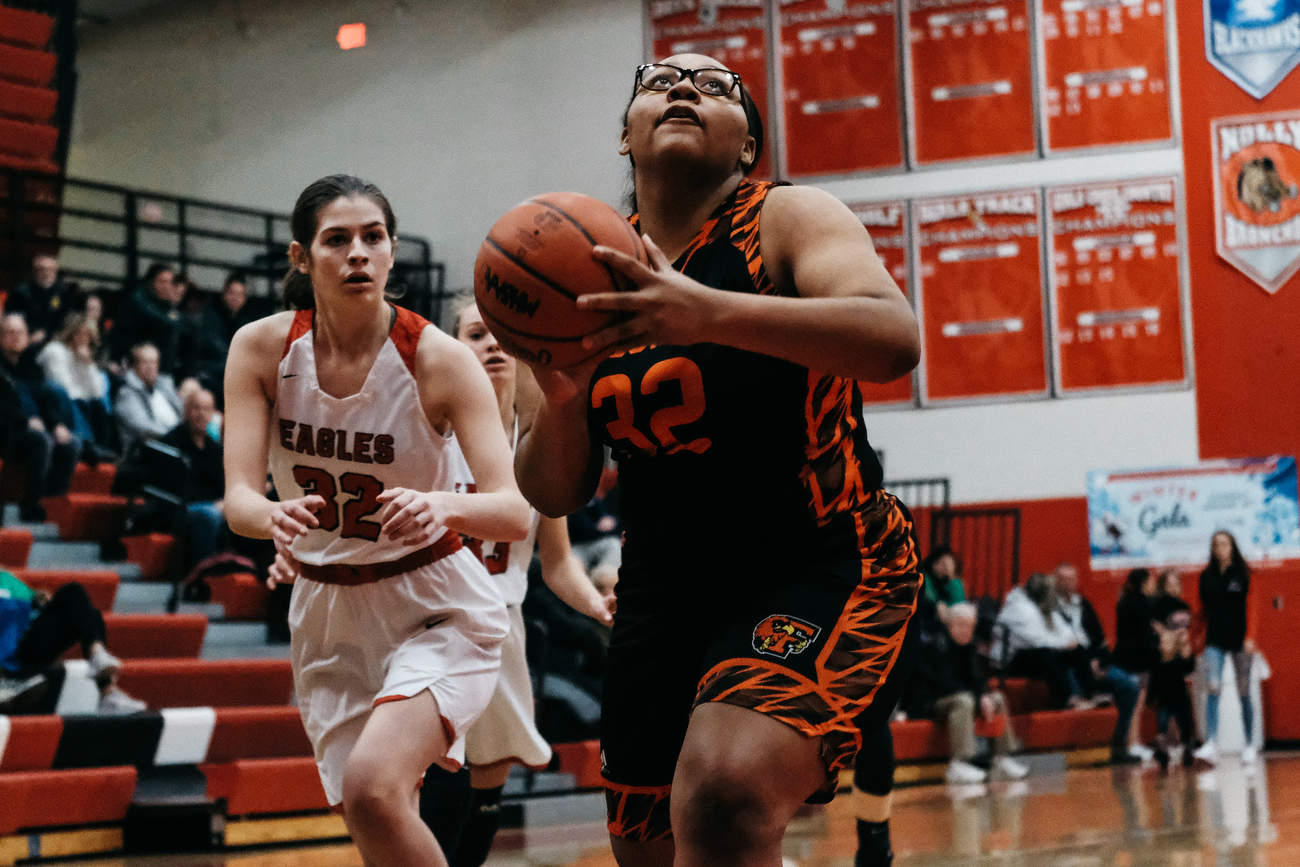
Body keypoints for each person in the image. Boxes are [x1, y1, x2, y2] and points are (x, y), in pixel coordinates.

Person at [515, 55, 923, 864]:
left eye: (715, 87)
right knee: (654, 849)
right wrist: (561, 399)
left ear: (746, 150)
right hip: (663, 594)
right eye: (658, 80)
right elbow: (553, 487)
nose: (683, 90)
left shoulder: (788, 218)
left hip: (822, 560)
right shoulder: (572, 264)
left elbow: (893, 337)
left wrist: (707, 313)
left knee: (724, 793)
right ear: (625, 136)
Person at [222, 174, 530, 867]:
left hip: (434, 603)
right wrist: (272, 515)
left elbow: (511, 509)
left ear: (391, 254)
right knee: (378, 822)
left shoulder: (438, 359)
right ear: (302, 257)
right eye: (338, 239)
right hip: (328, 606)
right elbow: (238, 501)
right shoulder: (261, 349)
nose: (358, 252)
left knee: (372, 790)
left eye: (374, 237)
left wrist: (441, 504)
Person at [420, 301, 615, 867]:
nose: (490, 346)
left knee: (486, 792)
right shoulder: (427, 429)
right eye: (475, 334)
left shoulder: (534, 447)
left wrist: (597, 607)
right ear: (452, 348)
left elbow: (556, 564)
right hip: (426, 620)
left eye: (501, 336)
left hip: (499, 627)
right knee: (438, 776)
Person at [903, 602, 1026, 784]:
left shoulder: (970, 646)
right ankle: (959, 762)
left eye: (970, 626)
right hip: (930, 702)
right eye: (961, 625)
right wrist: (978, 698)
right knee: (964, 700)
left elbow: (978, 678)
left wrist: (984, 695)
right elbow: (945, 685)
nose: (965, 630)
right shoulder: (936, 645)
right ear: (950, 624)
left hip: (959, 697)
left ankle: (1001, 757)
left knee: (996, 698)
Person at [0, 569, 146, 714]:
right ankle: (106, 688)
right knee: (85, 610)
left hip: (27, 643)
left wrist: (38, 597)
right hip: (7, 652)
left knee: (80, 601)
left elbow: (33, 599)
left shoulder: (5, 577)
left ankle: (101, 667)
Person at [0, 313, 81, 523]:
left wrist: (57, 425)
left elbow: (46, 401)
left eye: (20, 333)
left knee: (70, 443)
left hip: (34, 429)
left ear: (28, 337)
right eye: (10, 332)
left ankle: (52, 505)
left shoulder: (32, 368)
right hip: (9, 431)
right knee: (40, 440)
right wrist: (24, 421)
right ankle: (31, 506)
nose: (16, 337)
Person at [1195, 530, 1257, 764]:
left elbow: (1253, 606)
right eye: (1216, 544)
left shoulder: (1244, 574)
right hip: (1215, 639)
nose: (1220, 548)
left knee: (1244, 693)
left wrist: (1251, 636)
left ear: (1232, 546)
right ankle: (1212, 742)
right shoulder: (1206, 576)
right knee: (1213, 688)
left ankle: (1249, 743)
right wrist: (1196, 640)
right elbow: (1201, 611)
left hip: (1241, 639)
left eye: (1224, 543)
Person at [996, 572, 1089, 710]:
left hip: (1034, 656)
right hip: (1010, 661)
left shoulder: (1043, 608)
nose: (1054, 596)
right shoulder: (1019, 608)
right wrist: (1063, 644)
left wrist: (1071, 643)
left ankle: (1092, 694)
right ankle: (1068, 699)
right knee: (1046, 654)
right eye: (1051, 592)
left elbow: (1064, 632)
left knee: (1077, 650)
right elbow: (1035, 641)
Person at [159, 387, 228, 572]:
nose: (201, 414)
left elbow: (221, 488)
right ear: (187, 411)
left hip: (209, 505)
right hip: (177, 508)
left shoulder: (215, 449)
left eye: (206, 409)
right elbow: (175, 490)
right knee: (211, 515)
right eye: (196, 408)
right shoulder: (170, 443)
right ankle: (201, 574)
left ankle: (232, 570)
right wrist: (215, 504)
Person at [36, 313, 117, 462]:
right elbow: (63, 386)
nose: (84, 338)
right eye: (81, 333)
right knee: (75, 401)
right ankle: (84, 445)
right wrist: (83, 394)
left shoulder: (83, 355)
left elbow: (97, 392)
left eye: (88, 335)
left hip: (82, 402)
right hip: (56, 402)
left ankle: (97, 446)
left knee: (99, 404)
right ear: (71, 331)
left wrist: (87, 364)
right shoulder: (55, 350)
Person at [180, 271, 269, 404]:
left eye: (239, 295)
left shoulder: (248, 318)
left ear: (245, 298)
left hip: (233, 369)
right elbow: (213, 344)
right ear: (224, 294)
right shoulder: (211, 313)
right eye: (232, 293)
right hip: (211, 368)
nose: (235, 298)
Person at [1106, 568, 1157, 765]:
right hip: (1136, 660)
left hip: (1124, 656)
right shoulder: (1142, 603)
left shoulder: (1125, 601)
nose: (1154, 585)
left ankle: (1134, 741)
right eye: (1151, 581)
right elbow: (1145, 634)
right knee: (1137, 703)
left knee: (1135, 703)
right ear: (1144, 583)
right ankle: (1132, 742)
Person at [1149, 569, 1195, 771]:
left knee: (1182, 706)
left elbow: (1189, 629)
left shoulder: (1184, 606)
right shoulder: (1158, 606)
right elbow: (1155, 626)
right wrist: (1166, 639)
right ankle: (1163, 741)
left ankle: (1186, 743)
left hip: (1180, 653)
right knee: (1166, 707)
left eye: (1177, 581)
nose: (1174, 584)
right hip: (1166, 651)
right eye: (1170, 581)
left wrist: (1186, 644)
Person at [106, 263, 185, 376]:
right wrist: (175, 317)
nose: (166, 286)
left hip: (153, 361)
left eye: (170, 282)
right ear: (152, 281)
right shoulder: (139, 298)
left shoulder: (164, 303)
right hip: (128, 357)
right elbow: (166, 322)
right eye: (162, 282)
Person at [1054, 561, 1111, 702]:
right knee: (1074, 663)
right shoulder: (1051, 605)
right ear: (1056, 581)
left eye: (1071, 579)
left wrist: (1097, 658)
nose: (1068, 583)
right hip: (1067, 653)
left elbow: (1098, 634)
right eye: (1064, 579)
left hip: (1090, 652)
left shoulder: (1084, 604)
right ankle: (1085, 700)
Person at [114, 342, 184, 455]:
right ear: (134, 366)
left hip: (174, 446)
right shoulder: (127, 393)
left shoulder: (164, 389)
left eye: (154, 362)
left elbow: (182, 414)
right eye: (146, 362)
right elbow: (143, 427)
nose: (151, 367)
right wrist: (176, 438)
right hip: (145, 452)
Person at [4, 253, 74, 346]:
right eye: (41, 270)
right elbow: (13, 317)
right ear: (33, 272)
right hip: (24, 337)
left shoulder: (64, 292)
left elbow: (65, 319)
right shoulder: (22, 291)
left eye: (50, 270)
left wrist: (46, 333)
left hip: (54, 339)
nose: (46, 274)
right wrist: (28, 334)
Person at [920, 544, 966, 624]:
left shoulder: (948, 582)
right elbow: (932, 600)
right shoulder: (925, 578)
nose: (946, 568)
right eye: (943, 564)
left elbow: (960, 604)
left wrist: (952, 577)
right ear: (934, 564)